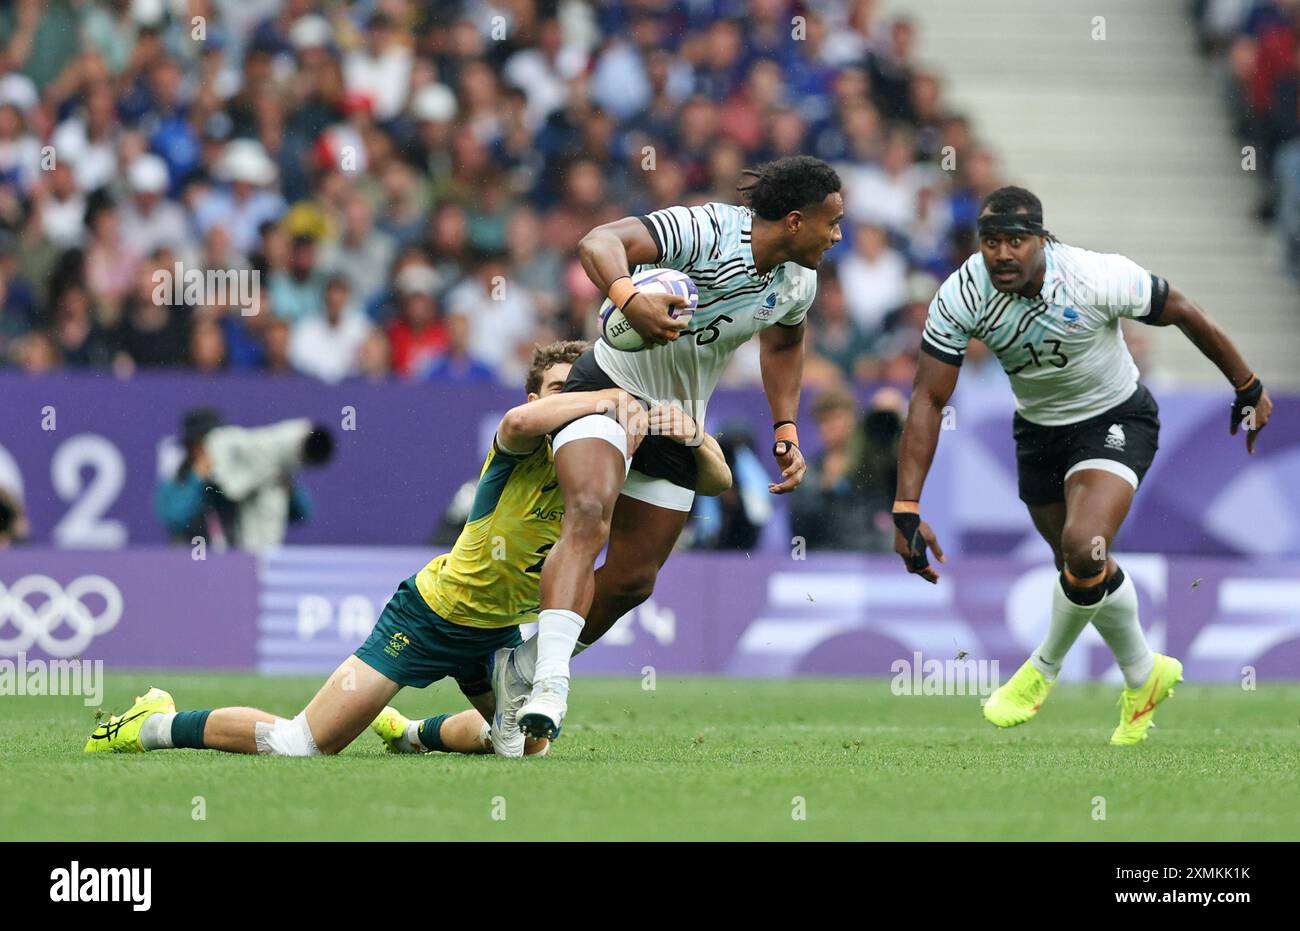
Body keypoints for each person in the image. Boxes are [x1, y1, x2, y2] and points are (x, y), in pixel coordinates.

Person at [84, 341, 733, 759]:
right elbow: (514, 423)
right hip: (429, 616)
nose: (574, 404)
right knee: (299, 745)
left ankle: (410, 732)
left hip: (496, 632)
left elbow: (716, 481)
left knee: (519, 747)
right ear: (539, 396)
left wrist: (690, 432)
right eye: (557, 390)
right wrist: (601, 397)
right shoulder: (519, 442)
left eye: (579, 387)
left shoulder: (598, 461)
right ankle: (156, 722)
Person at [892, 186, 1274, 746]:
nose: (1002, 253)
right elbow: (927, 398)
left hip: (1115, 417)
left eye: (1016, 241)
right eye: (992, 241)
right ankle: (1145, 675)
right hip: (1039, 433)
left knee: (1082, 544)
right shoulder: (962, 294)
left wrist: (1246, 384)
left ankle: (1041, 669)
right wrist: (906, 504)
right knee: (1084, 569)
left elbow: (1183, 311)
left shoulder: (1096, 276)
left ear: (1042, 240)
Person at [503, 155, 843, 746]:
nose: (837, 234)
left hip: (676, 422)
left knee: (635, 579)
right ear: (793, 221)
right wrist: (628, 296)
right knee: (589, 514)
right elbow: (598, 241)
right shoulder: (707, 229)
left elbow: (786, 343)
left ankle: (522, 667)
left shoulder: (798, 281)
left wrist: (785, 426)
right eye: (831, 222)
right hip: (605, 392)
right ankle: (552, 683)